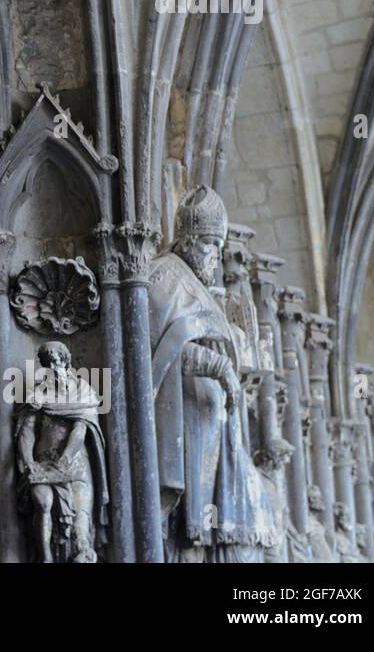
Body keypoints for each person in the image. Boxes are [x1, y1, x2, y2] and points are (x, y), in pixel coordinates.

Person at [149, 185, 275, 561]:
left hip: (210, 428)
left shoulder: (197, 287)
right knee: (184, 537)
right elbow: (162, 354)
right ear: (187, 241)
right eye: (210, 246)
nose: (216, 259)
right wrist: (219, 365)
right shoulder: (164, 279)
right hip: (181, 426)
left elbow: (205, 335)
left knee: (203, 538)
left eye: (220, 249)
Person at [15, 340, 109, 562]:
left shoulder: (83, 391)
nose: (53, 366)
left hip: (76, 465)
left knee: (80, 519)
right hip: (43, 464)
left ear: (66, 361)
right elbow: (26, 431)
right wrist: (28, 462)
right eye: (47, 362)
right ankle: (45, 557)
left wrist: (66, 458)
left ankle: (82, 552)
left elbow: (80, 428)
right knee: (42, 502)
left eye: (56, 360)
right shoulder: (37, 394)